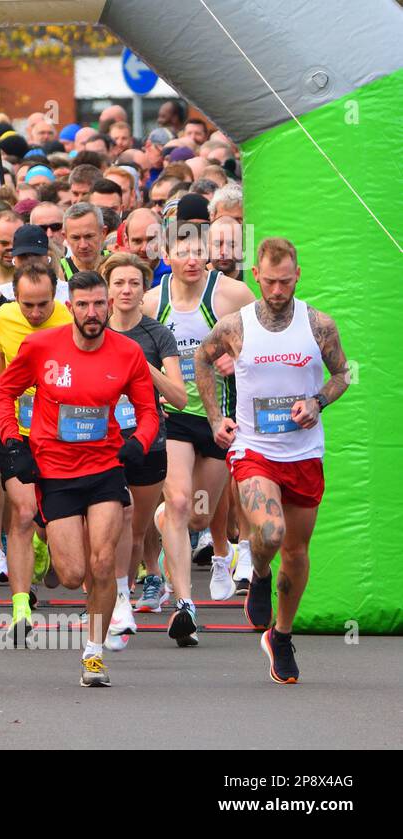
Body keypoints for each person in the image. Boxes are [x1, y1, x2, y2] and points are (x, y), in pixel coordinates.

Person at [0, 270, 160, 686]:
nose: (92, 312)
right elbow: (4, 392)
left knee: (102, 564)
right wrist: (14, 444)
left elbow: (149, 411)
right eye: (83, 305)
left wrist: (139, 442)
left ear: (108, 306)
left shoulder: (128, 353)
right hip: (55, 471)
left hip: (104, 468)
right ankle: (46, 541)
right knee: (71, 576)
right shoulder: (40, 346)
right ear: (71, 308)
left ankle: (93, 653)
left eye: (99, 304)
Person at [196, 237, 350, 684]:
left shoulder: (319, 324)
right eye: (270, 281)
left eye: (285, 281)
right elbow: (203, 362)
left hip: (303, 451)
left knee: (298, 552)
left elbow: (342, 373)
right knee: (271, 530)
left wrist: (317, 402)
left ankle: (281, 635)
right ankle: (259, 571)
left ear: (297, 276)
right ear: (256, 277)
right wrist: (214, 419)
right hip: (253, 448)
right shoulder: (235, 326)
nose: (278, 290)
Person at [143, 213, 255, 645]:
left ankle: (169, 520)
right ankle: (185, 604)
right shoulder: (154, 302)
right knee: (180, 499)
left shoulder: (232, 294)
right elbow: (132, 346)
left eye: (199, 250)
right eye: (182, 251)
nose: (192, 259)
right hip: (175, 417)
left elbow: (264, 340)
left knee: (202, 514)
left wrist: (236, 359)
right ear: (167, 256)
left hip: (219, 417)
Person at [0, 263, 73, 633]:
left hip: (60, 435)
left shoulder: (69, 319)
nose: (34, 313)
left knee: (48, 521)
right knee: (22, 512)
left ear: (55, 297)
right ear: (15, 296)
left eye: (42, 305)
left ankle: (45, 545)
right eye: (27, 305)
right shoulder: (3, 319)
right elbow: (2, 362)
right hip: (17, 429)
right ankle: (20, 608)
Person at [101, 253, 186, 648]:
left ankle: (125, 589)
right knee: (117, 518)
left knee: (135, 529)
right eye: (118, 283)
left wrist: (140, 364)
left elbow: (180, 397)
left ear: (144, 289)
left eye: (134, 283)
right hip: (101, 440)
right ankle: (115, 599)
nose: (126, 290)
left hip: (148, 440)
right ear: (108, 287)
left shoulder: (157, 335)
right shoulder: (92, 328)